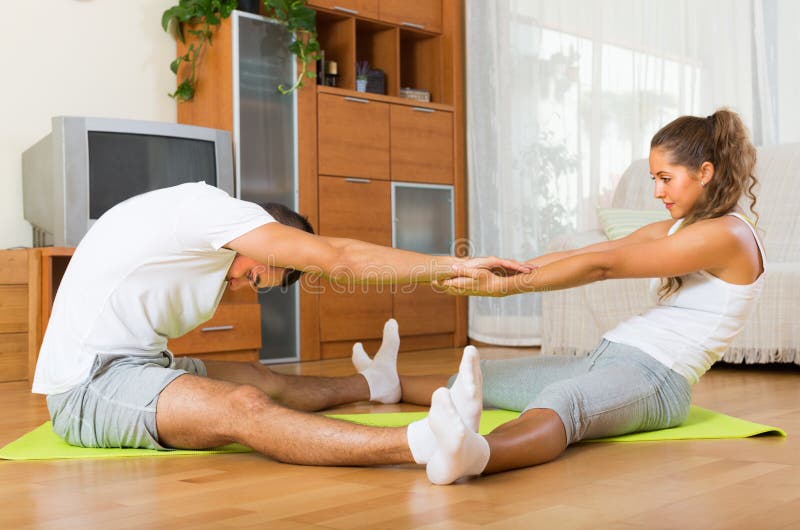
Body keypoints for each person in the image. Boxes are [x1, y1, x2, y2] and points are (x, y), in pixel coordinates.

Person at [31, 181, 526, 476]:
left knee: (259, 378)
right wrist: (452, 268)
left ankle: (376, 384)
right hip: (88, 386)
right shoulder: (210, 215)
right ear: (271, 235)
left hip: (137, 366)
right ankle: (424, 444)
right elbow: (342, 258)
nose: (258, 286)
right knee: (243, 406)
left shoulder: (206, 233)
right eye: (273, 272)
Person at [398, 108, 764, 484]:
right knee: (481, 377)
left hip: (657, 378)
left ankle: (475, 455)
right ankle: (373, 382)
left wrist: (505, 288)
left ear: (704, 172)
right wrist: (504, 270)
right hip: (608, 357)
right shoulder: (683, 227)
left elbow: (603, 265)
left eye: (666, 179)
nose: (658, 191)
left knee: (562, 402)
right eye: (654, 179)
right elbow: (585, 253)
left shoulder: (728, 235)